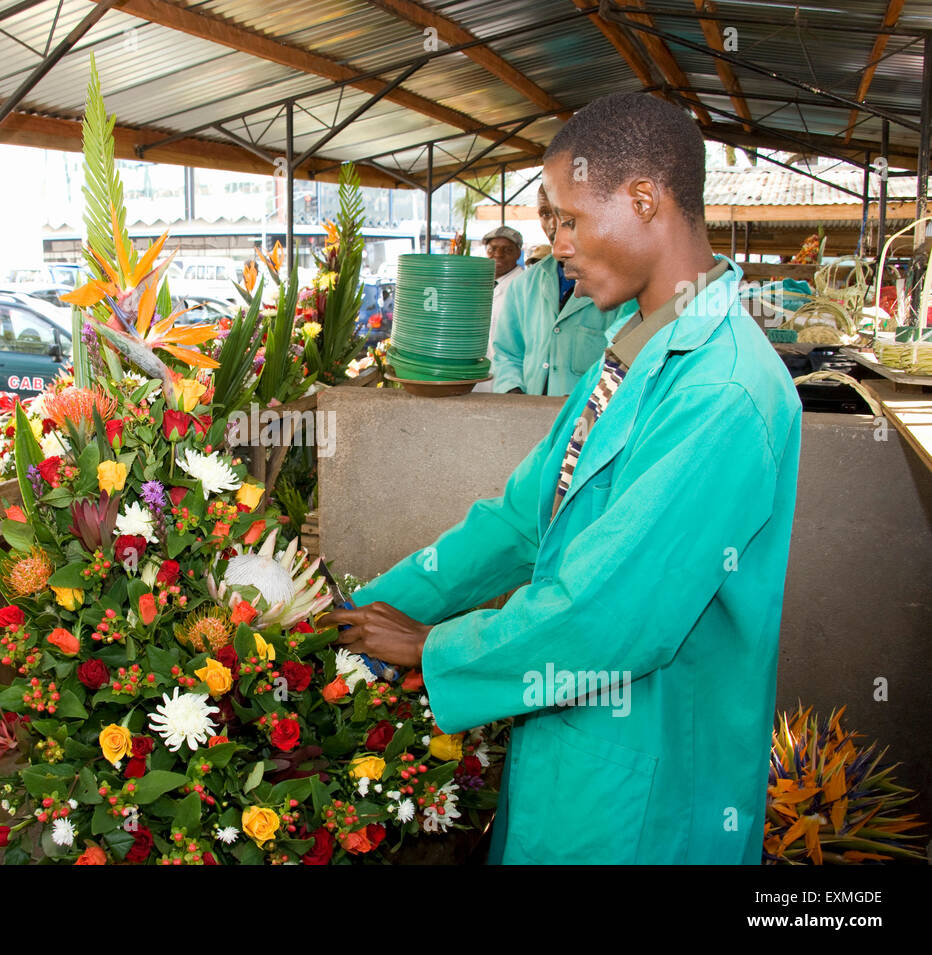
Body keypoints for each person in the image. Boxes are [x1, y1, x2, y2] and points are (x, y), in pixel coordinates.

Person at [326, 92, 802, 865]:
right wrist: (367, 610)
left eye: (568, 219)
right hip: (571, 751)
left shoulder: (724, 388)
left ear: (645, 199)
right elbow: (521, 519)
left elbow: (611, 613)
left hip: (646, 782)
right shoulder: (631, 350)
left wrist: (437, 648)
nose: (557, 246)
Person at [490, 185, 634, 396]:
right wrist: (514, 393)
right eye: (546, 213)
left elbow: (625, 364)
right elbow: (507, 353)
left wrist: (584, 401)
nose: (553, 224)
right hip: (530, 415)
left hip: (590, 419)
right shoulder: (524, 284)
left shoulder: (622, 285)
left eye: (563, 212)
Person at [474, 226, 525, 394]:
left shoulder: (523, 286)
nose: (498, 254)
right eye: (493, 249)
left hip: (507, 382)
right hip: (479, 378)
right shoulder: (482, 283)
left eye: (507, 250)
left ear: (518, 253)